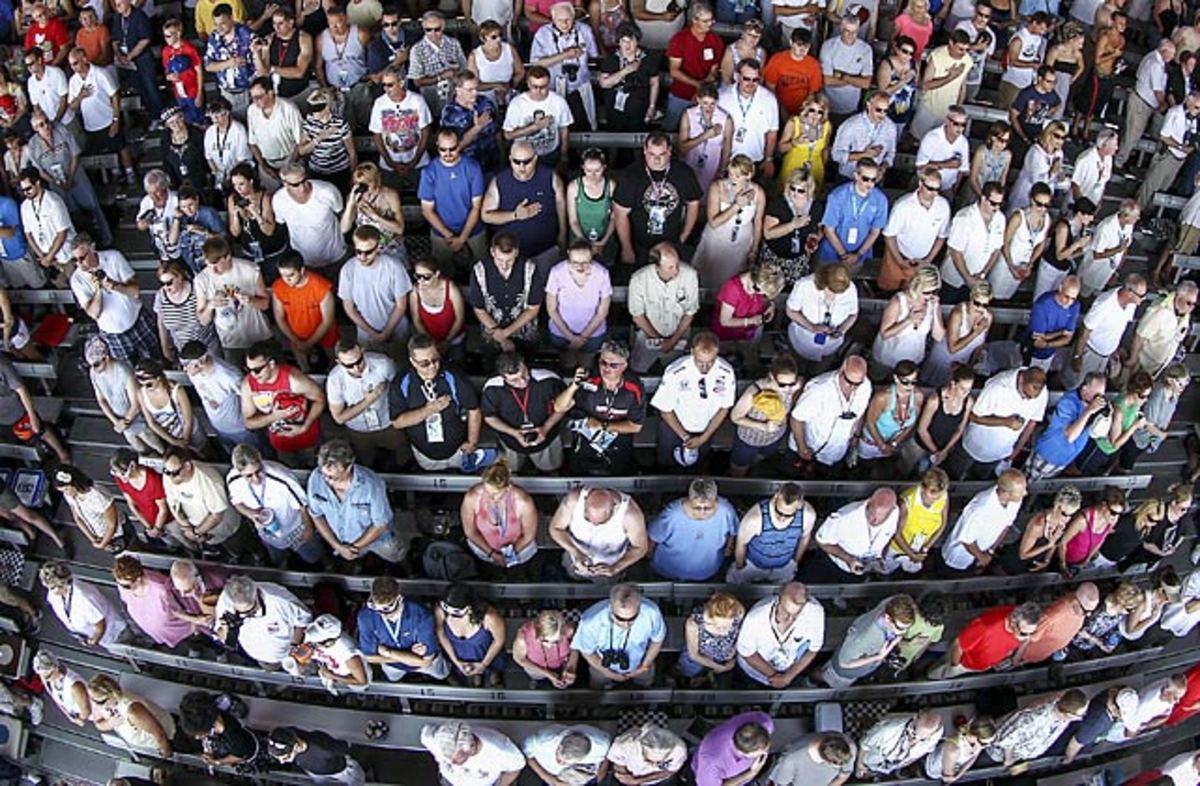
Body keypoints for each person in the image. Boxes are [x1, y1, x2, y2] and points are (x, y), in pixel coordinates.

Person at [390, 335, 490, 472]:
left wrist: (472, 442)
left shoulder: (454, 377)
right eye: (424, 363)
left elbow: (474, 410)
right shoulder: (402, 383)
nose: (432, 366)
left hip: (458, 449)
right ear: (412, 362)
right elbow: (397, 422)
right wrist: (428, 410)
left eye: (435, 359)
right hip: (424, 453)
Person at [553, 341, 647, 475]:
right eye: (603, 362)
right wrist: (574, 385)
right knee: (578, 469)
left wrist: (603, 426)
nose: (606, 368)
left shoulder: (634, 388)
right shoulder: (589, 379)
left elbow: (636, 426)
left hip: (618, 434)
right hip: (587, 434)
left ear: (624, 366)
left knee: (621, 471)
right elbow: (559, 407)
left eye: (613, 365)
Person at [227, 443, 325, 566]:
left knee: (312, 556)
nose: (256, 479)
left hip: (295, 528)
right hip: (267, 532)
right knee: (277, 558)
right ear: (238, 471)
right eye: (249, 476)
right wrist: (251, 514)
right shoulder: (233, 480)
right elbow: (237, 503)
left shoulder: (282, 478)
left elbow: (303, 506)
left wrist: (308, 528)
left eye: (258, 471)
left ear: (260, 459)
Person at [307, 439, 404, 563]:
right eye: (323, 473)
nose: (326, 480)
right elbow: (316, 515)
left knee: (396, 556)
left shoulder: (372, 485)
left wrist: (352, 548)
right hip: (341, 541)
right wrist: (337, 546)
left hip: (378, 539)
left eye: (333, 477)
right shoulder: (316, 478)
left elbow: (380, 524)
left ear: (348, 468)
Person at [613, 133, 703, 266]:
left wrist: (684, 235)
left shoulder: (683, 173)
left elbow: (693, 203)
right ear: (644, 150)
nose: (656, 160)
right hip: (639, 244)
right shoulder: (631, 175)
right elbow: (620, 214)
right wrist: (627, 248)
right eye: (651, 154)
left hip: (671, 243)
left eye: (661, 155)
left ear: (670, 151)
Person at [69, 234, 159, 364]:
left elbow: (135, 291)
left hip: (138, 320)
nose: (79, 264)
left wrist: (115, 286)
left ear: (93, 248)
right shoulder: (76, 280)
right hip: (113, 333)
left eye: (82, 258)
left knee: (156, 358)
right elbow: (94, 313)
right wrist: (98, 290)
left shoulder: (113, 257)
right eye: (75, 260)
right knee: (128, 370)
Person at [651, 332, 736, 469]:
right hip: (675, 428)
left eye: (710, 362)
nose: (705, 367)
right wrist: (685, 437)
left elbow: (724, 408)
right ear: (692, 352)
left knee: (699, 465)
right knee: (666, 463)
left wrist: (704, 437)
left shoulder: (725, 372)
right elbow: (665, 410)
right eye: (700, 362)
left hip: (705, 429)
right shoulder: (676, 372)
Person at [947, 366, 1047, 480]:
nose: (1028, 400)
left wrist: (1016, 451)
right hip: (971, 446)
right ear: (1021, 379)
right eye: (1026, 394)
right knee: (951, 476)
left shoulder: (1041, 393)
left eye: (1033, 398)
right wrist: (1005, 422)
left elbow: (1032, 422)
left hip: (999, 454)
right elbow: (974, 416)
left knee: (976, 482)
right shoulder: (997, 386)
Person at [481, 141, 567, 270]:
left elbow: (561, 204)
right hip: (512, 255)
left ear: (535, 158)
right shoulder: (499, 181)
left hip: (546, 249)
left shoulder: (550, 177)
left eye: (527, 161)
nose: (522, 166)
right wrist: (515, 215)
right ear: (510, 159)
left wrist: (563, 233)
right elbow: (486, 216)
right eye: (516, 162)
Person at [240, 341, 326, 464]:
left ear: (271, 364)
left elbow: (320, 399)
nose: (253, 375)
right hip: (280, 442)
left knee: (316, 464)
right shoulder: (248, 385)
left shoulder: (294, 380)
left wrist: (305, 426)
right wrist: (274, 416)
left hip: (307, 436)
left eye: (257, 370)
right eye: (248, 369)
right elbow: (248, 422)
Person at [161, 448, 257, 559]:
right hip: (199, 529)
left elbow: (217, 515)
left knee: (238, 544)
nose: (171, 477)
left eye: (175, 473)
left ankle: (256, 555)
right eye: (167, 472)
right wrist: (186, 526)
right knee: (222, 547)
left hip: (223, 526)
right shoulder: (169, 475)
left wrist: (196, 533)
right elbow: (172, 502)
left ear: (187, 466)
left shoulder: (209, 479)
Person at [692, 155, 767, 291]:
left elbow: (758, 222)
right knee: (708, 277)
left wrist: (754, 249)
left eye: (737, 176)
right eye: (730, 174)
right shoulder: (717, 187)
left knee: (733, 282)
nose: (732, 178)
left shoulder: (759, 193)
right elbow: (713, 222)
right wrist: (736, 206)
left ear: (749, 175)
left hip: (742, 242)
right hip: (716, 240)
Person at [419, 128, 487, 275]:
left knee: (482, 272)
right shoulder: (429, 172)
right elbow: (427, 210)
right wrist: (449, 236)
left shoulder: (473, 168)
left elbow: (476, 207)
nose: (448, 154)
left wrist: (462, 239)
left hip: (473, 229)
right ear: (437, 146)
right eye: (443, 149)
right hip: (441, 231)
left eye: (452, 149)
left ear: (459, 145)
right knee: (442, 274)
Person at [195, 236, 272, 367]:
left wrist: (251, 300)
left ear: (227, 257)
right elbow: (202, 320)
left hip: (259, 336)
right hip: (231, 343)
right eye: (209, 265)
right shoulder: (201, 279)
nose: (213, 270)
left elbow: (265, 304)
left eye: (216, 265)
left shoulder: (250, 269)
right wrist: (210, 306)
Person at [788, 354, 871, 475]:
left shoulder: (866, 386)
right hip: (808, 447)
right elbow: (796, 418)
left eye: (857, 383)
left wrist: (856, 435)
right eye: (849, 381)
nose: (853, 387)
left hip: (836, 451)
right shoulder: (819, 389)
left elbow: (860, 413)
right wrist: (802, 447)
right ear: (841, 371)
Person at [357, 576, 451, 681]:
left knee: (442, 674)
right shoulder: (365, 616)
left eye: (388, 610)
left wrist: (387, 652)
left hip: (419, 665)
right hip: (393, 666)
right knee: (393, 679)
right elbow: (369, 657)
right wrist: (410, 656)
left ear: (399, 599)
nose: (383, 615)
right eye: (376, 608)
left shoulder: (421, 615)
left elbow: (426, 662)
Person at [573, 583, 666, 688]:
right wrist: (607, 672)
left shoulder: (651, 612)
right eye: (620, 618)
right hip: (601, 663)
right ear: (611, 608)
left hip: (640, 660)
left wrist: (645, 664)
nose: (626, 624)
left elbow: (657, 640)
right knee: (597, 685)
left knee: (646, 683)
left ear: (639, 607)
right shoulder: (590, 621)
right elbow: (587, 651)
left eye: (632, 618)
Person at [1063, 274, 1147, 390]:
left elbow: (1120, 327)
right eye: (1141, 295)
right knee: (1075, 384)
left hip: (1105, 355)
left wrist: (1115, 349)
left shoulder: (1131, 305)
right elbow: (1085, 329)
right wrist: (1078, 356)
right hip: (1090, 352)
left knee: (1094, 387)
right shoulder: (1105, 303)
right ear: (1129, 292)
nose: (1144, 299)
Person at [325, 337, 400, 465]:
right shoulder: (335, 380)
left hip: (388, 421)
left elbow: (400, 387)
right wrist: (369, 400)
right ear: (338, 362)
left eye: (359, 361)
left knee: (402, 453)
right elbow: (339, 418)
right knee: (364, 460)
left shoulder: (383, 364)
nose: (356, 368)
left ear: (362, 351)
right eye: (349, 365)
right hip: (358, 429)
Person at [627, 242, 699, 374]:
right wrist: (659, 341)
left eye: (677, 265)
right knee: (638, 369)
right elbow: (637, 316)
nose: (676, 270)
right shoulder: (638, 279)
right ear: (656, 266)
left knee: (678, 373)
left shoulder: (690, 275)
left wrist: (673, 340)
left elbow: (690, 313)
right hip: (648, 334)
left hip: (679, 333)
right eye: (670, 267)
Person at [112, 555, 208, 651]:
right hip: (156, 630)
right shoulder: (124, 585)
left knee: (194, 638)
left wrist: (195, 620)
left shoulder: (160, 588)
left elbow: (177, 609)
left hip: (177, 628)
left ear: (138, 579)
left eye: (126, 586)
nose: (123, 588)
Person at [469, 232, 544, 355]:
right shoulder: (479, 270)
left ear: (516, 252)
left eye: (509, 260)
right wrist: (500, 336)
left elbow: (533, 308)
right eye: (499, 260)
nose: (504, 266)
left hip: (525, 334)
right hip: (492, 333)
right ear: (492, 252)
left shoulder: (530, 269)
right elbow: (479, 309)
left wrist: (505, 333)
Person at [648, 478, 738, 581]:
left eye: (708, 508)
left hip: (708, 573)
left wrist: (729, 546)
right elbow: (653, 538)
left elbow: (733, 531)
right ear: (689, 500)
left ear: (715, 501)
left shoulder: (726, 511)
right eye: (697, 508)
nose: (702, 512)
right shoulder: (672, 515)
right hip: (667, 571)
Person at [736, 581, 824, 686]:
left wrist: (788, 676)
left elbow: (813, 649)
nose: (790, 619)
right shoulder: (755, 617)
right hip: (755, 671)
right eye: (786, 612)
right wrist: (775, 676)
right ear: (778, 600)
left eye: (796, 614)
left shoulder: (815, 613)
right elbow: (747, 653)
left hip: (789, 670)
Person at [940, 469, 1028, 574]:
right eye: (1020, 491)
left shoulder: (1015, 501)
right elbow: (966, 540)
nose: (1025, 493)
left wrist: (990, 551)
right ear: (1006, 492)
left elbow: (1006, 525)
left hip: (982, 553)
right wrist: (982, 558)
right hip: (958, 556)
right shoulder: (981, 508)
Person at [550, 486, 647, 580]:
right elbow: (555, 528)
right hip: (574, 557)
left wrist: (615, 568)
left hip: (611, 564)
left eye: (601, 523)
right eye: (587, 519)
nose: (594, 525)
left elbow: (640, 547)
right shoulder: (573, 501)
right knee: (571, 576)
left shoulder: (631, 515)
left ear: (614, 508)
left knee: (606, 587)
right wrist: (576, 552)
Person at [214, 575, 312, 668]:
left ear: (257, 594)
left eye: (251, 610)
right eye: (242, 612)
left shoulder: (280, 601)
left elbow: (304, 620)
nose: (248, 615)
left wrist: (294, 647)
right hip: (255, 654)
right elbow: (223, 638)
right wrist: (226, 627)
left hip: (285, 653)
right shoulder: (226, 602)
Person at [879, 167, 951, 294]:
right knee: (887, 290)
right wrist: (900, 261)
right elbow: (889, 236)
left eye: (937, 189)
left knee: (913, 294)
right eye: (930, 188)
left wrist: (928, 260)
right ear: (920, 184)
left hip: (922, 261)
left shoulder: (943, 206)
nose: (934, 193)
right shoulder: (903, 206)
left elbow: (942, 236)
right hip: (897, 256)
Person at [339, 225, 412, 348]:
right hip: (365, 333)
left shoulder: (394, 266)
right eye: (358, 251)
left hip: (396, 330)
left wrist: (385, 333)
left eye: (368, 252)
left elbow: (401, 306)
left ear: (378, 248)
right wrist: (373, 333)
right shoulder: (348, 269)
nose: (362, 257)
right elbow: (349, 308)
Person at [729, 355, 803, 476]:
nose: (788, 389)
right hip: (749, 439)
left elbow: (800, 383)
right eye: (782, 385)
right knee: (739, 468)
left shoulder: (796, 386)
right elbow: (735, 417)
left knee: (758, 461)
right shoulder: (754, 393)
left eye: (791, 383)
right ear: (771, 377)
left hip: (774, 437)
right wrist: (762, 426)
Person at [179, 342, 259, 454]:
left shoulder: (229, 376)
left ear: (200, 363)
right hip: (218, 427)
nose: (184, 369)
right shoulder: (193, 373)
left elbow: (251, 398)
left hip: (241, 429)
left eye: (187, 364)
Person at [821, 594, 917, 688]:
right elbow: (844, 663)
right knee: (826, 678)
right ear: (887, 618)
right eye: (900, 628)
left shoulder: (894, 603)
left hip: (862, 664)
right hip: (844, 672)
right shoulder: (865, 638)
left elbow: (905, 598)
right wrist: (879, 656)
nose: (904, 632)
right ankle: (811, 681)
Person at [86, 337, 161, 455]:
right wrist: (116, 421)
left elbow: (136, 404)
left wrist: (124, 422)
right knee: (140, 449)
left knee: (157, 445)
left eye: (96, 364)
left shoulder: (124, 372)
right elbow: (101, 400)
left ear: (106, 358)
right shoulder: (94, 373)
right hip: (122, 422)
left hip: (138, 419)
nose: (94, 369)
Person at [1027, 372, 1108, 481]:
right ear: (1084, 389)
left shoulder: (1091, 406)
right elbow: (1070, 436)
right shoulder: (1068, 402)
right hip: (1048, 455)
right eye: (1097, 395)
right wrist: (1089, 411)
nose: (1099, 400)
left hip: (1063, 460)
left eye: (1102, 395)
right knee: (1024, 485)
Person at [806, 488, 900, 581]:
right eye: (872, 513)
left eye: (882, 517)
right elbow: (822, 542)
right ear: (869, 501)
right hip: (835, 567)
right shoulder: (844, 517)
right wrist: (848, 559)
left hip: (864, 570)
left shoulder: (895, 513)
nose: (875, 520)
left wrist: (882, 556)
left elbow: (890, 534)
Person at [458, 460, 539, 569]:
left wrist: (508, 556)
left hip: (518, 549)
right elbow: (470, 531)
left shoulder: (523, 502)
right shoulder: (472, 497)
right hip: (484, 548)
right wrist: (492, 554)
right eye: (486, 490)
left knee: (518, 569)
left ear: (508, 488)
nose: (490, 497)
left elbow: (528, 535)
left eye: (496, 494)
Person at [928, 601, 1041, 678]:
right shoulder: (985, 627)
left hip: (982, 664)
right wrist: (954, 666)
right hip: (964, 663)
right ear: (1013, 622)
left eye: (1031, 632)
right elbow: (959, 644)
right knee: (940, 672)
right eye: (1024, 633)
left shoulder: (1020, 623)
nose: (1026, 637)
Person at [545, 240, 613, 362]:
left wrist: (582, 337)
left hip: (593, 332)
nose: (580, 267)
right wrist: (570, 337)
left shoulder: (602, 273)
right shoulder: (556, 272)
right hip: (561, 332)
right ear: (568, 254)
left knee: (586, 365)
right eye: (575, 262)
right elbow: (551, 309)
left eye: (585, 262)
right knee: (566, 364)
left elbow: (602, 311)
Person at [1116, 38, 1177, 171]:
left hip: (1143, 103)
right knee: (1132, 134)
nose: (1173, 57)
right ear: (1164, 51)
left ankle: (1122, 158)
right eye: (1172, 54)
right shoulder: (1155, 64)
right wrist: (1163, 104)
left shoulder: (1154, 58)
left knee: (1132, 133)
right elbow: (1157, 90)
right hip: (1141, 103)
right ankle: (1118, 161)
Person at [985, 691, 1089, 768]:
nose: (1082, 717)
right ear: (1068, 714)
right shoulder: (1035, 719)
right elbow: (1006, 740)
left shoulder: (1064, 716)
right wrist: (1009, 760)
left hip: (1021, 753)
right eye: (1081, 714)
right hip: (997, 752)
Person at [40, 560, 129, 650]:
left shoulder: (83, 597)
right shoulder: (54, 594)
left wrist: (93, 641)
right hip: (89, 633)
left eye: (52, 588)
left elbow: (100, 624)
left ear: (62, 584)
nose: (51, 591)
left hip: (113, 633)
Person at [941, 182, 1007, 303]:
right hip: (953, 279)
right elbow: (956, 252)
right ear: (983, 198)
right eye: (993, 203)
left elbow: (997, 249)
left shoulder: (1000, 218)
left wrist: (983, 274)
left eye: (1000, 204)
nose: (996, 208)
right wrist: (968, 278)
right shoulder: (964, 218)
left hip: (978, 278)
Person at [817, 157, 888, 268]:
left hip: (859, 255)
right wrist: (844, 255)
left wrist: (858, 254)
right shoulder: (837, 196)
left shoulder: (880, 199)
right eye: (865, 179)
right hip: (832, 254)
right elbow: (829, 230)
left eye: (873, 180)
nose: (870, 184)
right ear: (856, 175)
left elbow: (875, 231)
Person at [271, 254, 338, 370]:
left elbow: (327, 320)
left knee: (334, 364)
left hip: (326, 336)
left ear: (302, 270)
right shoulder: (278, 287)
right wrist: (295, 340)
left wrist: (308, 343)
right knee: (304, 369)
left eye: (291, 275)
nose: (286, 280)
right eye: (282, 275)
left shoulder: (321, 287)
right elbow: (279, 318)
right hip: (296, 337)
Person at [872, 268, 946, 372]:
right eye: (927, 292)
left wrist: (935, 309)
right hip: (888, 358)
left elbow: (938, 336)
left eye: (934, 291)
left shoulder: (932, 303)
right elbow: (884, 334)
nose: (930, 296)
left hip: (912, 360)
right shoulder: (898, 302)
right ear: (917, 287)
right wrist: (908, 320)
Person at [663, 2, 723, 128]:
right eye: (705, 21)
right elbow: (674, 70)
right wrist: (699, 85)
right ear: (694, 20)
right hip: (680, 94)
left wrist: (704, 85)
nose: (710, 24)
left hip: (704, 98)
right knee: (670, 127)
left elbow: (714, 69)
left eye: (711, 20)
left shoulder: (716, 40)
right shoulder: (679, 39)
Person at [784, 263, 855, 370]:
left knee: (819, 371)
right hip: (802, 343)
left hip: (830, 347)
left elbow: (853, 314)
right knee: (797, 369)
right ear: (823, 283)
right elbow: (791, 311)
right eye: (831, 291)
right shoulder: (804, 285)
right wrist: (811, 327)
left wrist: (841, 330)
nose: (834, 295)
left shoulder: (850, 288)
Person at [435, 584, 507, 688]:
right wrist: (457, 662)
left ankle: (491, 676)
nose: (450, 615)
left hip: (485, 653)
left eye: (456, 612)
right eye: (446, 608)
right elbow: (441, 634)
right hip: (458, 653)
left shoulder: (490, 617)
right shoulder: (441, 611)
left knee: (494, 676)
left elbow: (498, 641)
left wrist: (483, 664)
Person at [85, 675, 174, 758]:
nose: (95, 704)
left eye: (99, 702)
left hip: (168, 739)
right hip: (146, 745)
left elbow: (159, 733)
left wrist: (166, 752)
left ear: (112, 695)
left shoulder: (132, 710)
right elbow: (98, 723)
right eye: (92, 699)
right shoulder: (101, 704)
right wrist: (109, 724)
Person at [368, 66, 432, 181]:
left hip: (418, 161)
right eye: (384, 85)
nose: (386, 89)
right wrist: (389, 162)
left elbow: (425, 131)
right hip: (389, 164)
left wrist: (415, 160)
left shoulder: (417, 100)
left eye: (390, 85)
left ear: (401, 82)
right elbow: (376, 134)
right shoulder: (379, 103)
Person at [501, 66, 572, 168]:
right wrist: (535, 127)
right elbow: (508, 135)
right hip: (524, 158)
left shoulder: (559, 102)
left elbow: (564, 129)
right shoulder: (517, 104)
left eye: (543, 87)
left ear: (549, 84)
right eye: (535, 87)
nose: (539, 91)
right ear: (528, 84)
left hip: (551, 154)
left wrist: (564, 155)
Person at [134, 359, 208, 456]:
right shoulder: (141, 393)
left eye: (149, 384)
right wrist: (173, 441)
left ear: (158, 378)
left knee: (204, 453)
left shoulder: (176, 390)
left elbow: (188, 420)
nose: (146, 387)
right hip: (170, 435)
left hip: (191, 432)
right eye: (141, 384)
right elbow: (151, 423)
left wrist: (185, 440)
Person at [54, 465, 135, 554]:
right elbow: (77, 518)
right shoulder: (70, 496)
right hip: (101, 536)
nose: (66, 493)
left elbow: (112, 524)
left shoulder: (97, 496)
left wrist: (102, 544)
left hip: (119, 533)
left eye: (66, 489)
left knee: (133, 550)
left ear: (74, 483)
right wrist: (93, 539)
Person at [883, 468, 949, 574]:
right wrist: (911, 554)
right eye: (932, 494)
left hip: (920, 546)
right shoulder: (907, 502)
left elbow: (943, 523)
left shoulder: (943, 496)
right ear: (923, 487)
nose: (936, 500)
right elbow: (896, 533)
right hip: (898, 548)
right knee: (887, 568)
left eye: (939, 496)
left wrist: (925, 548)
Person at [1017, 583, 1101, 665]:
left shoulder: (1078, 607)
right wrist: (1017, 657)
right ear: (1075, 600)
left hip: (1038, 653)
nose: (1088, 615)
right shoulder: (1051, 618)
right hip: (1026, 652)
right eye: (1086, 611)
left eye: (1091, 611)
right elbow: (1027, 638)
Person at [420, 721, 525, 786]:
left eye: (456, 760)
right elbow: (426, 731)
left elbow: (517, 766)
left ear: (470, 747)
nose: (451, 762)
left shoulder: (500, 750)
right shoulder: (434, 739)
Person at [1129, 282, 1198, 379]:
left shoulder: (1185, 315)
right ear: (1178, 298)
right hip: (1142, 364)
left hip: (1159, 366)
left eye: (1194, 304)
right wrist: (1132, 361)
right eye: (1189, 303)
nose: (1191, 308)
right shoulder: (1160, 311)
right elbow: (1139, 337)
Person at [1078, 200, 1140, 300]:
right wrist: (1117, 249)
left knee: (1097, 294)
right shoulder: (1106, 227)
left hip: (1109, 270)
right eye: (1136, 216)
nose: (1138, 218)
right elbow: (1097, 254)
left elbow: (1125, 248)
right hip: (1094, 270)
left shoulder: (1129, 225)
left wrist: (1116, 271)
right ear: (1125, 216)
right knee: (1083, 294)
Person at [110, 449, 173, 546]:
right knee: (170, 543)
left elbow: (163, 509)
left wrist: (157, 528)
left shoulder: (153, 480)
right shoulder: (121, 478)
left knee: (182, 539)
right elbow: (132, 504)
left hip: (168, 519)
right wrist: (148, 526)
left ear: (133, 466)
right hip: (148, 520)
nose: (121, 478)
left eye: (123, 474)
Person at [831, 91, 898, 182]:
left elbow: (891, 154)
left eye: (886, 110)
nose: (882, 114)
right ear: (869, 105)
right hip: (849, 177)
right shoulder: (850, 125)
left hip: (874, 179)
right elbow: (836, 155)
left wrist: (882, 169)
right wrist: (863, 154)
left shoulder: (891, 126)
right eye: (878, 110)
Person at [440, 70, 500, 170]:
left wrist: (502, 158)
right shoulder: (450, 113)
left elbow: (497, 132)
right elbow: (454, 147)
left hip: (493, 162)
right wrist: (477, 128)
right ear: (458, 90)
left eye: (476, 88)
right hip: (467, 167)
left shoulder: (485, 102)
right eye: (470, 90)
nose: (475, 93)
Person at [267, 726, 367, 785]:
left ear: (297, 747)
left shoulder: (323, 747)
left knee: (358, 782)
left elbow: (345, 747)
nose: (282, 762)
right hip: (316, 773)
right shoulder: (289, 733)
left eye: (286, 757)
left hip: (342, 771)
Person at [856, 711, 944, 779]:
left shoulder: (934, 736)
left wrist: (903, 763)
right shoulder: (887, 731)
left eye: (922, 738)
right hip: (876, 753)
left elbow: (924, 750)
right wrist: (859, 764)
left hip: (893, 763)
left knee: (876, 772)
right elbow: (864, 745)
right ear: (915, 718)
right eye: (914, 731)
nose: (914, 739)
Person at [692, 713, 773, 786]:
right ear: (742, 752)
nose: (766, 752)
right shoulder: (711, 762)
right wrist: (751, 773)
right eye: (760, 752)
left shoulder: (764, 721)